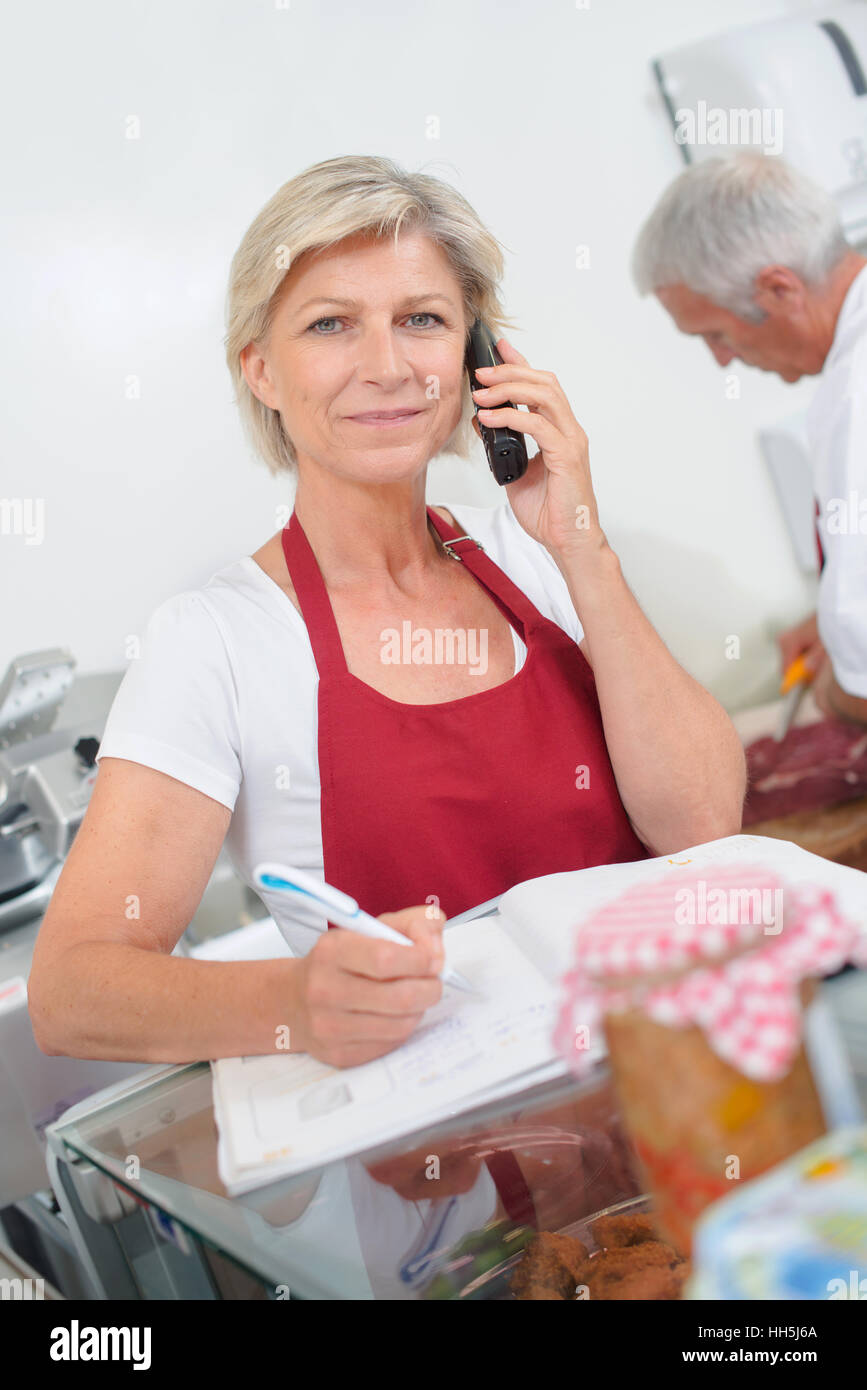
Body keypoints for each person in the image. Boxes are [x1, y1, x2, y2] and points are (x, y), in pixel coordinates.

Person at [29, 155, 745, 1070]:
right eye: (330, 325)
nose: (387, 366)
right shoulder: (212, 642)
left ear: (476, 357)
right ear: (262, 370)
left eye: (423, 320)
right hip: (458, 1188)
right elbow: (72, 991)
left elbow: (699, 826)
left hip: (683, 1075)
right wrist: (292, 1000)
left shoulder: (539, 554)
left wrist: (584, 548)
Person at [632, 152, 867, 726]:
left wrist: (832, 696)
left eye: (716, 333)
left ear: (779, 289)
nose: (722, 361)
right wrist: (836, 618)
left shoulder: (854, 397)